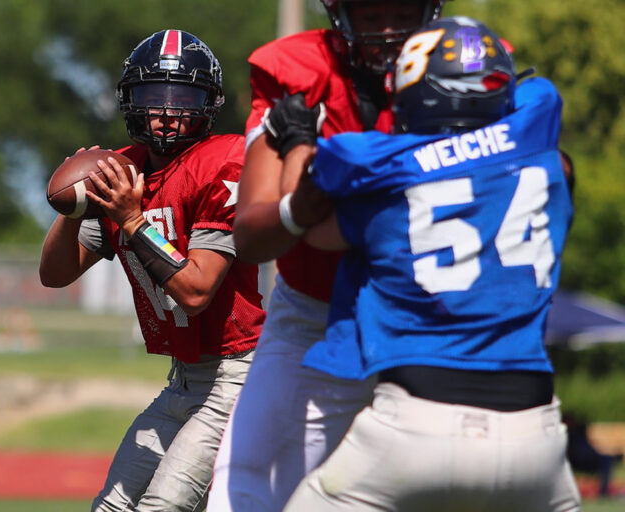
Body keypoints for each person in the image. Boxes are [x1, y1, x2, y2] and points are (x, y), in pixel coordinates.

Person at [282, 16, 581, 511]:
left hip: (415, 423)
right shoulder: (547, 165)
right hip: (538, 434)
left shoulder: (382, 174)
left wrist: (296, 141)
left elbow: (310, 226)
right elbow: (540, 96)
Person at [208, 2, 448, 511]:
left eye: (404, 9)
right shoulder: (297, 71)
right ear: (340, 12)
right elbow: (251, 234)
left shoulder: (465, 68)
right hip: (314, 315)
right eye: (372, 11)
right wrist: (298, 207)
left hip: (436, 319)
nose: (389, 30)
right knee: (243, 488)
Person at [39, 29, 265, 512]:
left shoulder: (222, 161)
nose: (166, 111)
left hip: (239, 373)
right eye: (151, 96)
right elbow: (54, 275)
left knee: (164, 507)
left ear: (208, 104)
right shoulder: (122, 171)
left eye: (182, 96)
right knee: (112, 506)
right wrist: (71, 208)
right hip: (184, 377)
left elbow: (197, 290)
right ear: (128, 102)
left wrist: (131, 219)